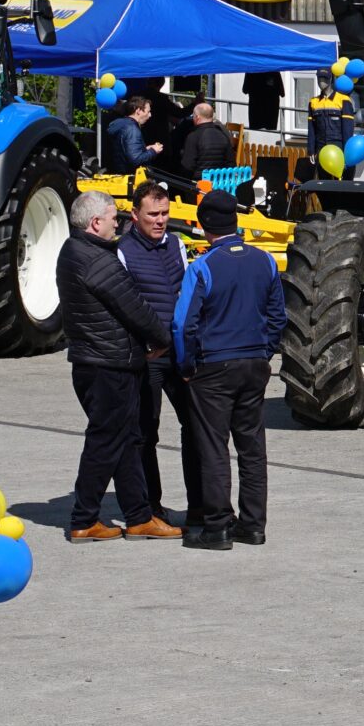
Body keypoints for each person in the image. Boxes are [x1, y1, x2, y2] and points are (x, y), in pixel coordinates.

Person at [58, 189, 180, 543]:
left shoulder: (76, 250)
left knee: (127, 439)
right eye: (114, 218)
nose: (119, 223)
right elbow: (133, 305)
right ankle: (85, 518)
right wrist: (163, 339)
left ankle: (139, 515)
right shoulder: (95, 257)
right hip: (107, 364)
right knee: (106, 440)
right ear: (96, 223)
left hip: (99, 360)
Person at [171, 191, 285, 550]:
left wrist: (187, 365)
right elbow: (278, 316)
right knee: (252, 448)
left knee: (214, 447)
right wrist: (263, 352)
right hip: (254, 363)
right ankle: (253, 526)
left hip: (214, 366)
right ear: (235, 222)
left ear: (204, 227)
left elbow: (182, 324)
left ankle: (218, 526)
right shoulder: (265, 261)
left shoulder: (202, 266)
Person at [119, 180, 202, 524]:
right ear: (135, 214)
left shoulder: (177, 245)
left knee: (195, 426)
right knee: (144, 433)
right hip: (148, 357)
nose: (160, 220)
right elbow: (124, 305)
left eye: (165, 213)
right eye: (153, 214)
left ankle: (199, 506)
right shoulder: (123, 251)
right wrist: (143, 344)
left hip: (179, 354)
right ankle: (150, 507)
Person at [307, 73, 359, 176]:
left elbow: (347, 130)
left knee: (342, 183)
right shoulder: (313, 102)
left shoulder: (343, 100)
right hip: (321, 147)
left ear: (330, 79)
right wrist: (311, 150)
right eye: (319, 78)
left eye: (324, 78)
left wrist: (347, 152)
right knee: (323, 182)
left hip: (338, 146)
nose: (321, 81)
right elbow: (311, 129)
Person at [106, 94, 164, 175]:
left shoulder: (120, 124)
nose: (150, 115)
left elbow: (124, 151)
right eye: (148, 111)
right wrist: (153, 151)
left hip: (117, 173)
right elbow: (135, 160)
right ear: (138, 111)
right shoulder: (131, 128)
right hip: (129, 178)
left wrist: (145, 149)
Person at [181, 99, 236, 179]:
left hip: (199, 185)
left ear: (197, 117)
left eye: (193, 116)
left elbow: (187, 167)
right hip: (219, 182)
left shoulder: (193, 136)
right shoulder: (224, 133)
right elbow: (231, 163)